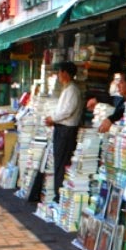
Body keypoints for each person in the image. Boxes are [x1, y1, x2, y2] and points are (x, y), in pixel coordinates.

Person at [44, 61, 82, 202]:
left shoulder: (72, 90)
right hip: (61, 129)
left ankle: (59, 195)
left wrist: (53, 118)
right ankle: (58, 193)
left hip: (66, 130)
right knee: (59, 161)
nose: (58, 75)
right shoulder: (67, 89)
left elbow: (67, 111)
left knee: (62, 162)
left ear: (65, 73)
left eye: (60, 72)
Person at [98, 68, 126, 134]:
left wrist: (111, 119)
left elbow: (124, 111)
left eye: (121, 82)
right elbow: (111, 99)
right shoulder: (122, 100)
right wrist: (96, 99)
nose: (118, 85)